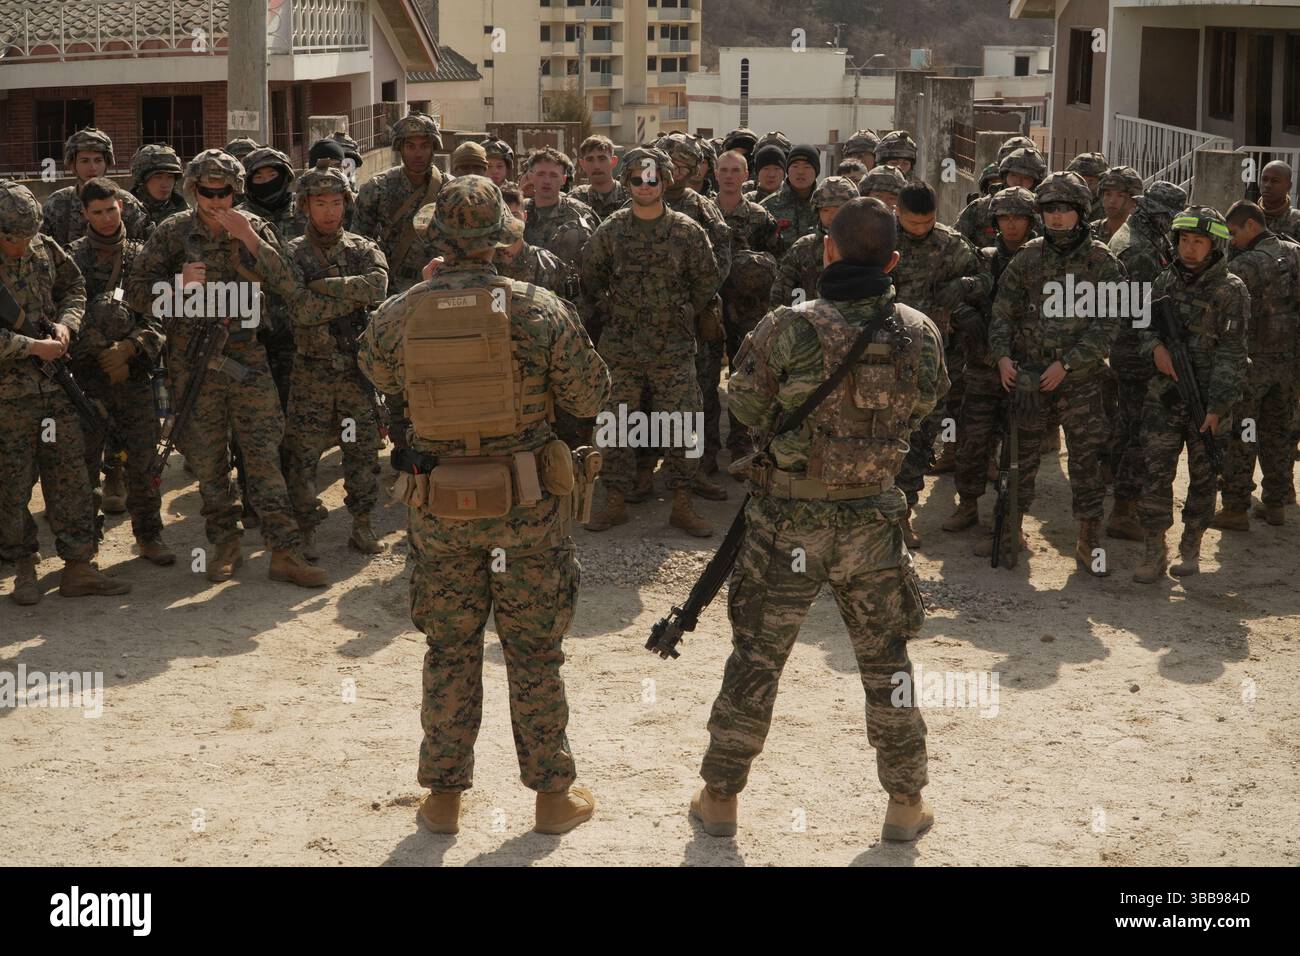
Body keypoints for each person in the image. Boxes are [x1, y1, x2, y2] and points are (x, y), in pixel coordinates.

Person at [358, 175, 610, 836]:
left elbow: (379, 374)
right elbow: (589, 395)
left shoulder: (401, 310)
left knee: (449, 649)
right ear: (501, 239)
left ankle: (443, 798)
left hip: (441, 507)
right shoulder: (538, 307)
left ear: (437, 238)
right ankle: (552, 798)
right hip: (525, 505)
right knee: (532, 654)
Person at [693, 196, 945, 842]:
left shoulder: (787, 326)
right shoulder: (919, 330)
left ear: (826, 249)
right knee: (886, 662)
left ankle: (720, 799)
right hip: (872, 525)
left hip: (787, 522)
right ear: (893, 259)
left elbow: (743, 403)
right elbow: (924, 407)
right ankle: (904, 803)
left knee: (755, 658)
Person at [124, 148, 327, 588]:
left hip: (247, 358)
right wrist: (176, 285)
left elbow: (291, 286)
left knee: (264, 456)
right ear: (193, 190)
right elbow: (135, 294)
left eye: (225, 193)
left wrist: (251, 241)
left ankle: (284, 550)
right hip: (193, 363)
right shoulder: (172, 233)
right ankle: (225, 545)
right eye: (207, 192)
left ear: (237, 191)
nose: (217, 202)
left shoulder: (256, 228)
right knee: (209, 461)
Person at [0, 180, 131, 603]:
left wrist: (66, 325)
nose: (22, 246)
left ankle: (78, 566)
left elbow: (73, 288)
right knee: (12, 483)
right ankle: (23, 567)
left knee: (71, 477)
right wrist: (30, 347)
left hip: (55, 387)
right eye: (12, 240)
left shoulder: (44, 247)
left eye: (27, 237)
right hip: (8, 396)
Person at [581, 147, 721, 537]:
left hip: (673, 347)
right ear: (626, 182)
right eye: (637, 179)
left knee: (683, 424)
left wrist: (676, 314)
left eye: (652, 178)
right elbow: (591, 276)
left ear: (664, 180)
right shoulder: (611, 230)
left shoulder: (687, 231)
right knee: (617, 424)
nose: (645, 185)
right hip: (622, 348)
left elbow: (705, 282)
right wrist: (617, 309)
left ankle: (681, 503)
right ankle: (615, 501)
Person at [989, 172, 1125, 573]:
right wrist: (1001, 356)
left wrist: (1067, 364)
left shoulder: (1102, 262)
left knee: (1087, 461)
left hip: (1079, 381)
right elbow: (1002, 312)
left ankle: (1088, 538)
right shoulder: (1028, 257)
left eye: (1065, 209)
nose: (1057, 217)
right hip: (1030, 377)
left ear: (1081, 212)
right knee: (1020, 458)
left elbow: (1109, 325)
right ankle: (1010, 527)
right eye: (1050, 209)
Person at [279, 161, 390, 559]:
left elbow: (377, 286)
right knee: (302, 456)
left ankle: (361, 525)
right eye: (320, 202)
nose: (329, 211)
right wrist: (345, 295)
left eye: (336, 202)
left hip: (355, 372)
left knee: (361, 453)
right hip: (311, 371)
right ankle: (305, 529)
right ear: (305, 206)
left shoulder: (362, 249)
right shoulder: (288, 252)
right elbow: (297, 310)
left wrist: (321, 287)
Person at [1133, 206, 1248, 582]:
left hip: (1208, 400)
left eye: (1199, 241)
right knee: (1154, 473)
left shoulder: (1230, 290)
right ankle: (1154, 550)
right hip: (1164, 398)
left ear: (1214, 245)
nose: (1190, 248)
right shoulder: (1163, 281)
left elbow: (1233, 352)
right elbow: (1142, 326)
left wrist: (1216, 408)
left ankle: (1191, 547)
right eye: (1185, 240)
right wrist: (1155, 349)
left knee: (1202, 477)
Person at [66, 177, 171, 566]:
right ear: (84, 214)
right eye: (97, 212)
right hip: (88, 379)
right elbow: (61, 312)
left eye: (111, 209)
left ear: (121, 207)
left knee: (142, 462)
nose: (107, 218)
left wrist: (130, 348)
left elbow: (162, 314)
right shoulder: (71, 258)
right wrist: (99, 348)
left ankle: (149, 536)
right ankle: (85, 548)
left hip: (135, 376)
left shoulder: (142, 257)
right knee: (85, 466)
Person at [890, 181, 989, 545]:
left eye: (927, 223)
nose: (919, 231)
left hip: (932, 359)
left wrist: (963, 285)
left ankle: (903, 513)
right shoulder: (881, 238)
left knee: (921, 438)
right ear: (897, 213)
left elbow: (985, 278)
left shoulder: (950, 243)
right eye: (912, 224)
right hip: (882, 358)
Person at [945, 186, 1038, 540]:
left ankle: (1011, 516)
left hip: (1025, 365)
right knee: (973, 439)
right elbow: (957, 295)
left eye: (1018, 218)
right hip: (983, 365)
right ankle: (968, 504)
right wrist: (964, 313)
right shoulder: (982, 258)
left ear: (1031, 221)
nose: (1011, 225)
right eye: (1004, 217)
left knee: (1022, 447)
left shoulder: (1041, 258)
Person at [1106, 181, 1188, 541]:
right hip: (1136, 350)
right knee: (1140, 431)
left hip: (1132, 347)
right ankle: (1124, 509)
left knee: (1130, 427)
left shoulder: (1143, 236)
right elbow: (1141, 313)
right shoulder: (1137, 250)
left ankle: (1125, 501)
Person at [1211, 201, 1300, 529]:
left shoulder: (1245, 265)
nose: (1232, 240)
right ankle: (1275, 503)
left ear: (1251, 225)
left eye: (1233, 233)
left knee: (1243, 433)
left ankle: (1235, 507)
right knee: (1278, 432)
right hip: (1288, 366)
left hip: (1252, 366)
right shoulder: (1295, 253)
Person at [714, 149, 784, 464]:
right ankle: (704, 448)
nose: (729, 176)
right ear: (715, 174)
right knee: (704, 377)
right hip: (709, 308)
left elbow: (776, 262)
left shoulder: (759, 216)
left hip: (749, 311)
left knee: (744, 377)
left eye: (735, 170)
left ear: (746, 175)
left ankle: (741, 443)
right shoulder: (702, 212)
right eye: (723, 170)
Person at [352, 112, 444, 296]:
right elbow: (357, 244)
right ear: (400, 149)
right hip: (391, 290)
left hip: (439, 286)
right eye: (410, 146)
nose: (418, 154)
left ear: (433, 148)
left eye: (424, 146)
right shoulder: (377, 189)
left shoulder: (449, 189)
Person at [41, 128, 152, 248]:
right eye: (85, 161)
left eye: (98, 160)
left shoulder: (127, 203)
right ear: (73, 165)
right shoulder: (57, 204)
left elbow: (145, 250)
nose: (92, 167)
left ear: (106, 163)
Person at [769, 176, 859, 309]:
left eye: (839, 210)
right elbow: (780, 294)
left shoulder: (863, 246)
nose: (832, 216)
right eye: (826, 210)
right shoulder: (803, 247)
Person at [759, 144, 819, 249]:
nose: (800, 172)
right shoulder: (767, 207)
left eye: (807, 167)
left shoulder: (826, 204)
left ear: (816, 171)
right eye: (795, 166)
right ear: (787, 170)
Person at [569, 135, 628, 221]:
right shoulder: (575, 199)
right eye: (590, 159)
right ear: (582, 164)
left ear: (613, 161)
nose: (596, 166)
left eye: (602, 159)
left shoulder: (629, 196)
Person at [129, 144, 189, 228]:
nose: (165, 184)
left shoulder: (185, 212)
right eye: (158, 177)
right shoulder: (124, 211)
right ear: (142, 180)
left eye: (170, 177)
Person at [1091, 166, 1142, 244]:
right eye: (1108, 194)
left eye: (1120, 196)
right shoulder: (1090, 232)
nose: (1112, 201)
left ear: (1133, 200)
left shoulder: (1143, 235)